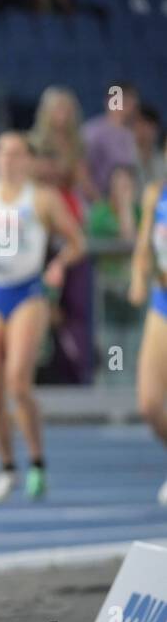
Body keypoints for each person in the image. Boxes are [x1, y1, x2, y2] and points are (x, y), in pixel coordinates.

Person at [0, 132, 85, 503]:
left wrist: (58, 264)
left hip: (28, 293)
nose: (8, 160)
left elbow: (78, 242)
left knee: (17, 383)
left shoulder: (42, 198)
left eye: (15, 154)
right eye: (2, 152)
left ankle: (38, 461)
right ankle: (6, 467)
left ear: (28, 160)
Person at [130, 158, 167, 504]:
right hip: (161, 305)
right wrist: (139, 278)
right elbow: (144, 248)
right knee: (150, 404)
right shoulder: (156, 193)